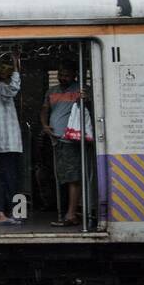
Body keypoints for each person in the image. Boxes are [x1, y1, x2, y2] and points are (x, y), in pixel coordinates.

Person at [42, 61, 90, 228]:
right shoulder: (52, 91)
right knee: (62, 177)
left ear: (74, 75)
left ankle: (70, 214)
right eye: (61, 75)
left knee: (73, 177)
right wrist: (45, 126)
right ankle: (69, 212)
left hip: (72, 139)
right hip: (56, 140)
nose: (63, 78)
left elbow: (89, 109)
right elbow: (45, 110)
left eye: (67, 75)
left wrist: (86, 99)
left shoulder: (81, 89)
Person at [0, 56, 24, 226]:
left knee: (1, 178)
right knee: (11, 179)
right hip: (8, 142)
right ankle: (16, 213)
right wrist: (17, 67)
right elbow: (15, 88)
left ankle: (0, 213)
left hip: (1, 142)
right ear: (7, 76)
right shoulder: (2, 89)